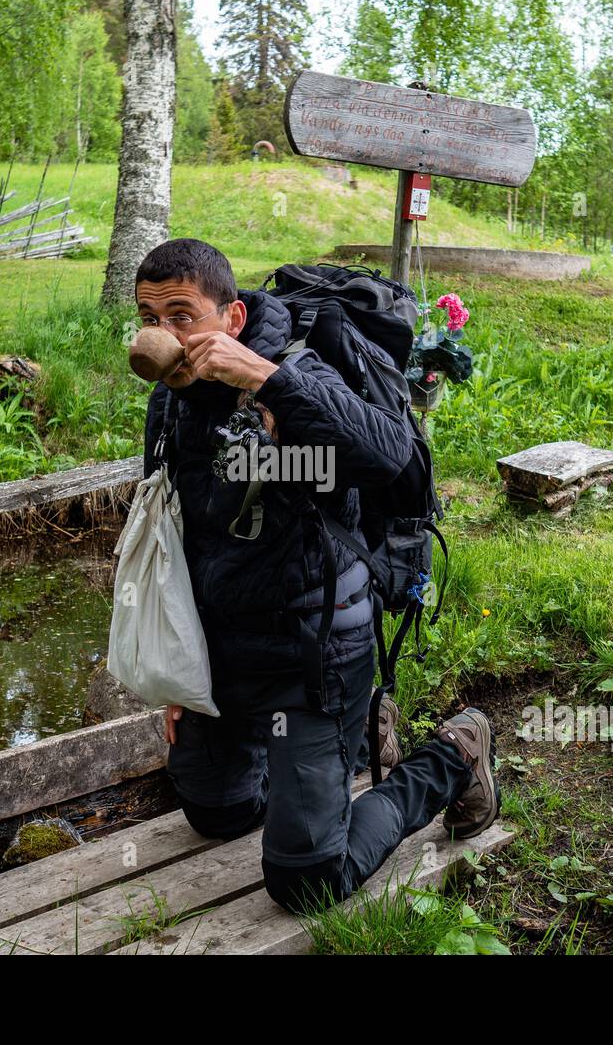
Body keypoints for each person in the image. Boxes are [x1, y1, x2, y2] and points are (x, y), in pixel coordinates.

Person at [134, 237, 499, 914]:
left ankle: (454, 755)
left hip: (314, 651)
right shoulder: (171, 403)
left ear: (232, 319)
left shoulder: (297, 370)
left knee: (306, 880)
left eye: (183, 316)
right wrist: (172, 669)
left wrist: (265, 380)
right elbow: (172, 537)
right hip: (223, 654)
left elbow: (389, 454)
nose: (165, 334)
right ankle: (347, 741)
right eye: (151, 318)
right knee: (217, 813)